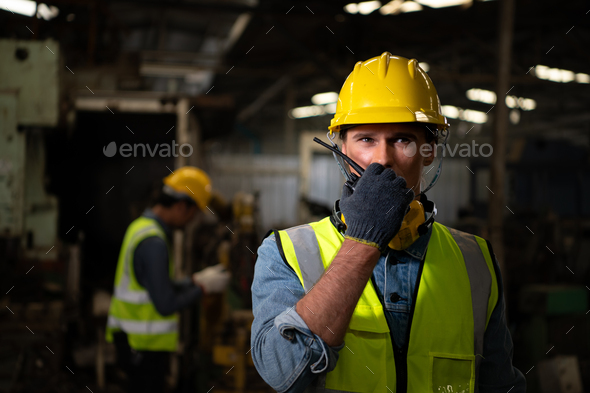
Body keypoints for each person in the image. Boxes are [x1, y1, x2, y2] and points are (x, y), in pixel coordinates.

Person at [250, 53, 526, 393]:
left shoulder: (476, 261)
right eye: (366, 139)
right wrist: (363, 240)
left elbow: (500, 385)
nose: (382, 159)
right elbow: (283, 374)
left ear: (429, 151)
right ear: (341, 149)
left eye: (402, 140)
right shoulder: (286, 252)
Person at [106, 166, 230, 393]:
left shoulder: (141, 228)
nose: (192, 221)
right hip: (143, 348)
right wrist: (203, 288)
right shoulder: (154, 242)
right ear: (182, 206)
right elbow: (165, 304)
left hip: (133, 345)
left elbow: (156, 286)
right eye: (194, 214)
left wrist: (193, 280)